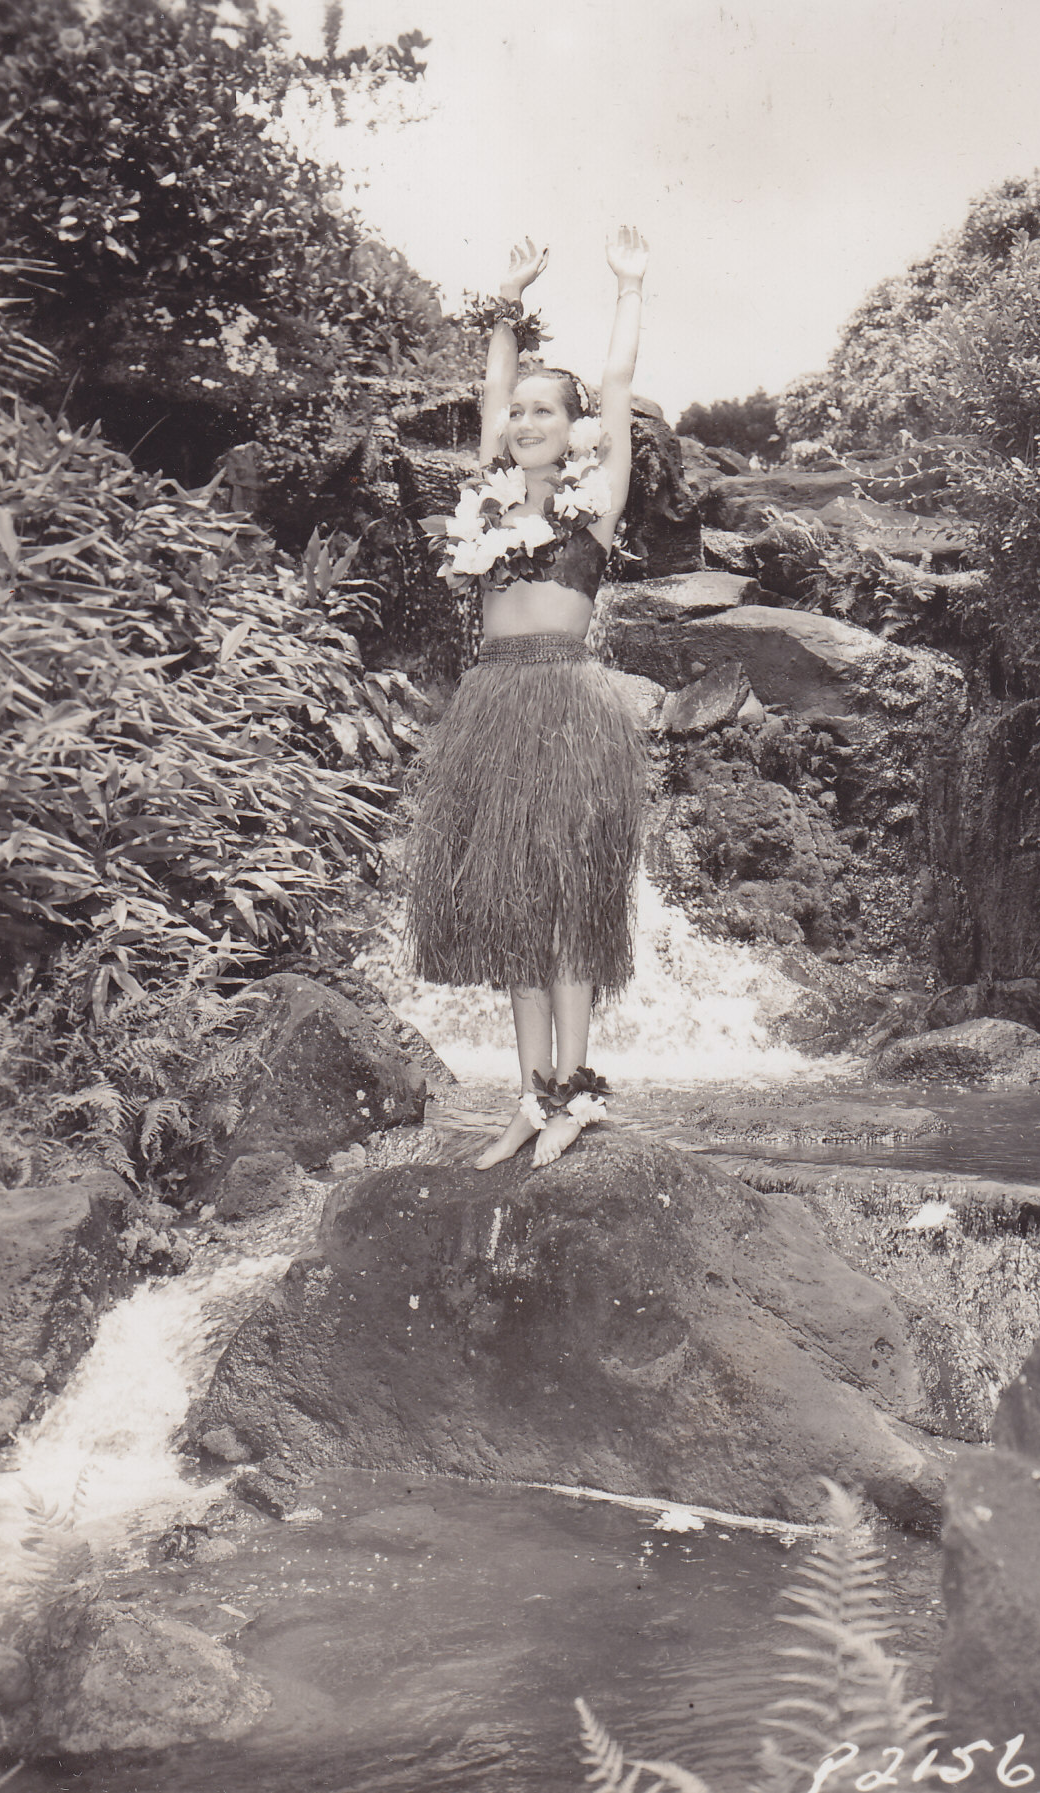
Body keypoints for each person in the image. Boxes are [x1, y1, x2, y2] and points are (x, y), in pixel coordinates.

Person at [405, 227, 650, 1170]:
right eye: (522, 413)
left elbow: (618, 392)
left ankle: (574, 1095)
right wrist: (506, 303)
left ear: (574, 426)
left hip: (570, 706)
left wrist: (628, 288)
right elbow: (489, 392)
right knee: (512, 904)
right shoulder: (490, 497)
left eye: (547, 410)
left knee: (570, 905)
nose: (525, 421)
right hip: (495, 708)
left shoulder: (597, 501)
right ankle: (528, 1094)